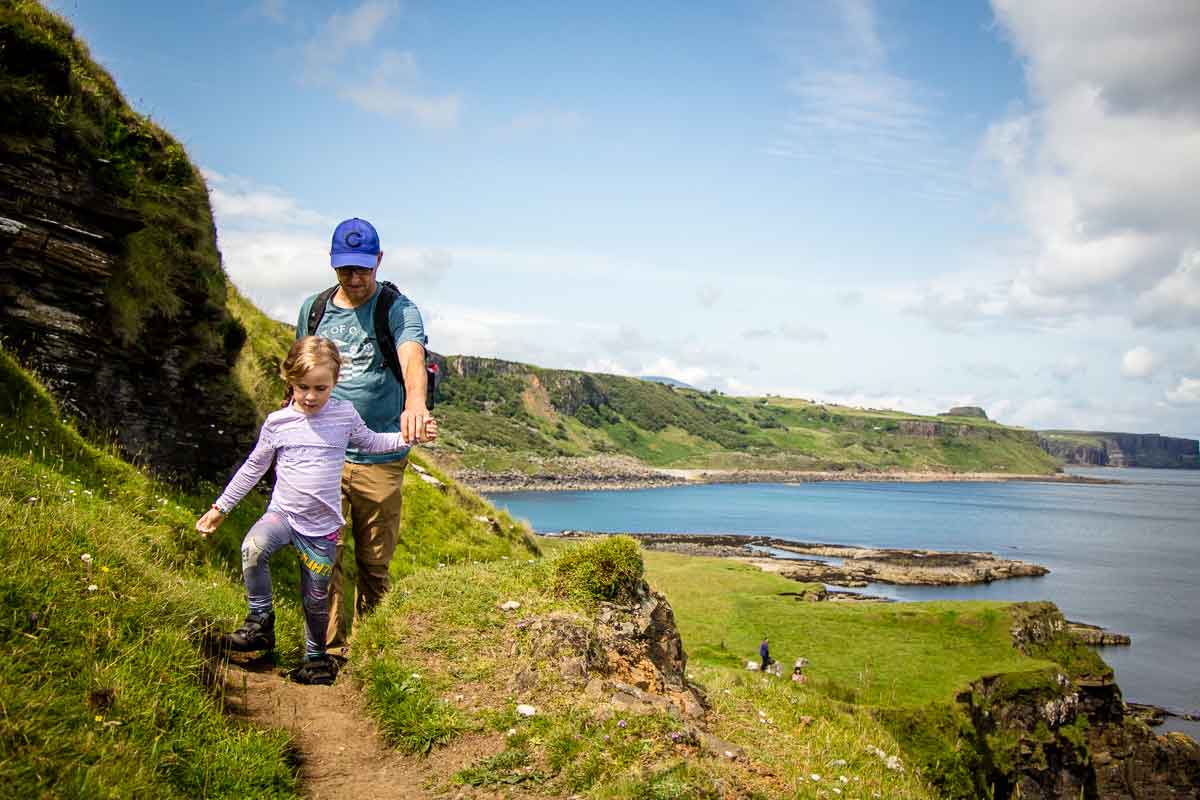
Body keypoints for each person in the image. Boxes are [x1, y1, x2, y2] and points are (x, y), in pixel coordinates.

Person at [195, 336, 436, 684]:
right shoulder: (278, 423)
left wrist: (410, 438)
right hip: (282, 516)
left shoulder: (343, 415)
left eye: (320, 388)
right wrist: (221, 507)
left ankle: (315, 659)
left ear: (335, 382)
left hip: (321, 529)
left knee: (316, 596)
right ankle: (259, 623)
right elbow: (253, 467)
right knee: (252, 548)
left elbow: (371, 443)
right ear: (289, 380)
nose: (310, 396)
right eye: (302, 387)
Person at [295, 217, 430, 657]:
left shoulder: (397, 309)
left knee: (373, 564)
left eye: (363, 269)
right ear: (332, 264)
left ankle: (372, 652)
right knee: (323, 559)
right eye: (344, 269)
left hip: (380, 458)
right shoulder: (314, 310)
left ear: (379, 261)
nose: (354, 278)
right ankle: (326, 650)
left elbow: (412, 357)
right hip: (323, 455)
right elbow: (300, 375)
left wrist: (415, 404)